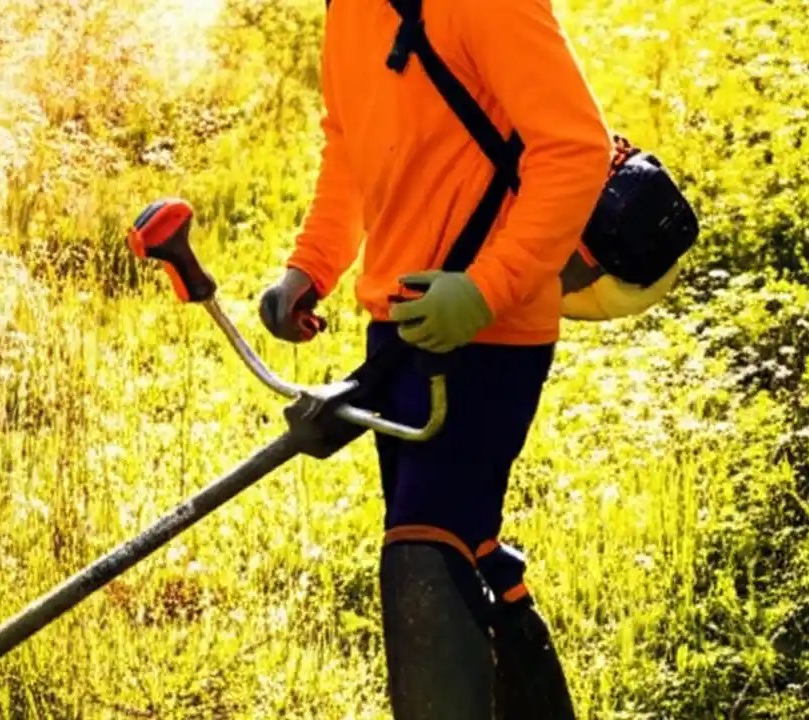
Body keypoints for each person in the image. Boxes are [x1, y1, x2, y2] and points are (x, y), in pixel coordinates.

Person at [259, 0, 613, 717]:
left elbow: (575, 148)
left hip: (488, 331)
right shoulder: (348, 9)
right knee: (461, 552)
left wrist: (485, 291)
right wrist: (312, 266)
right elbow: (349, 147)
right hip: (400, 328)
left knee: (424, 552)